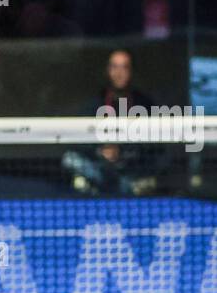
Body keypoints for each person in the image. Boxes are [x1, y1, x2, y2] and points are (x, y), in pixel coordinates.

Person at [64, 49, 168, 196]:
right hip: (102, 167)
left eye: (124, 67)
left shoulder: (144, 104)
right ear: (108, 71)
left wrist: (123, 151)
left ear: (131, 71)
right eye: (115, 67)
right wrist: (100, 150)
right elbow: (78, 139)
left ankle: (129, 187)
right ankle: (99, 187)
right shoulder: (95, 103)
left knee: (162, 160)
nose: (119, 73)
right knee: (70, 159)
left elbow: (156, 143)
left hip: (132, 167)